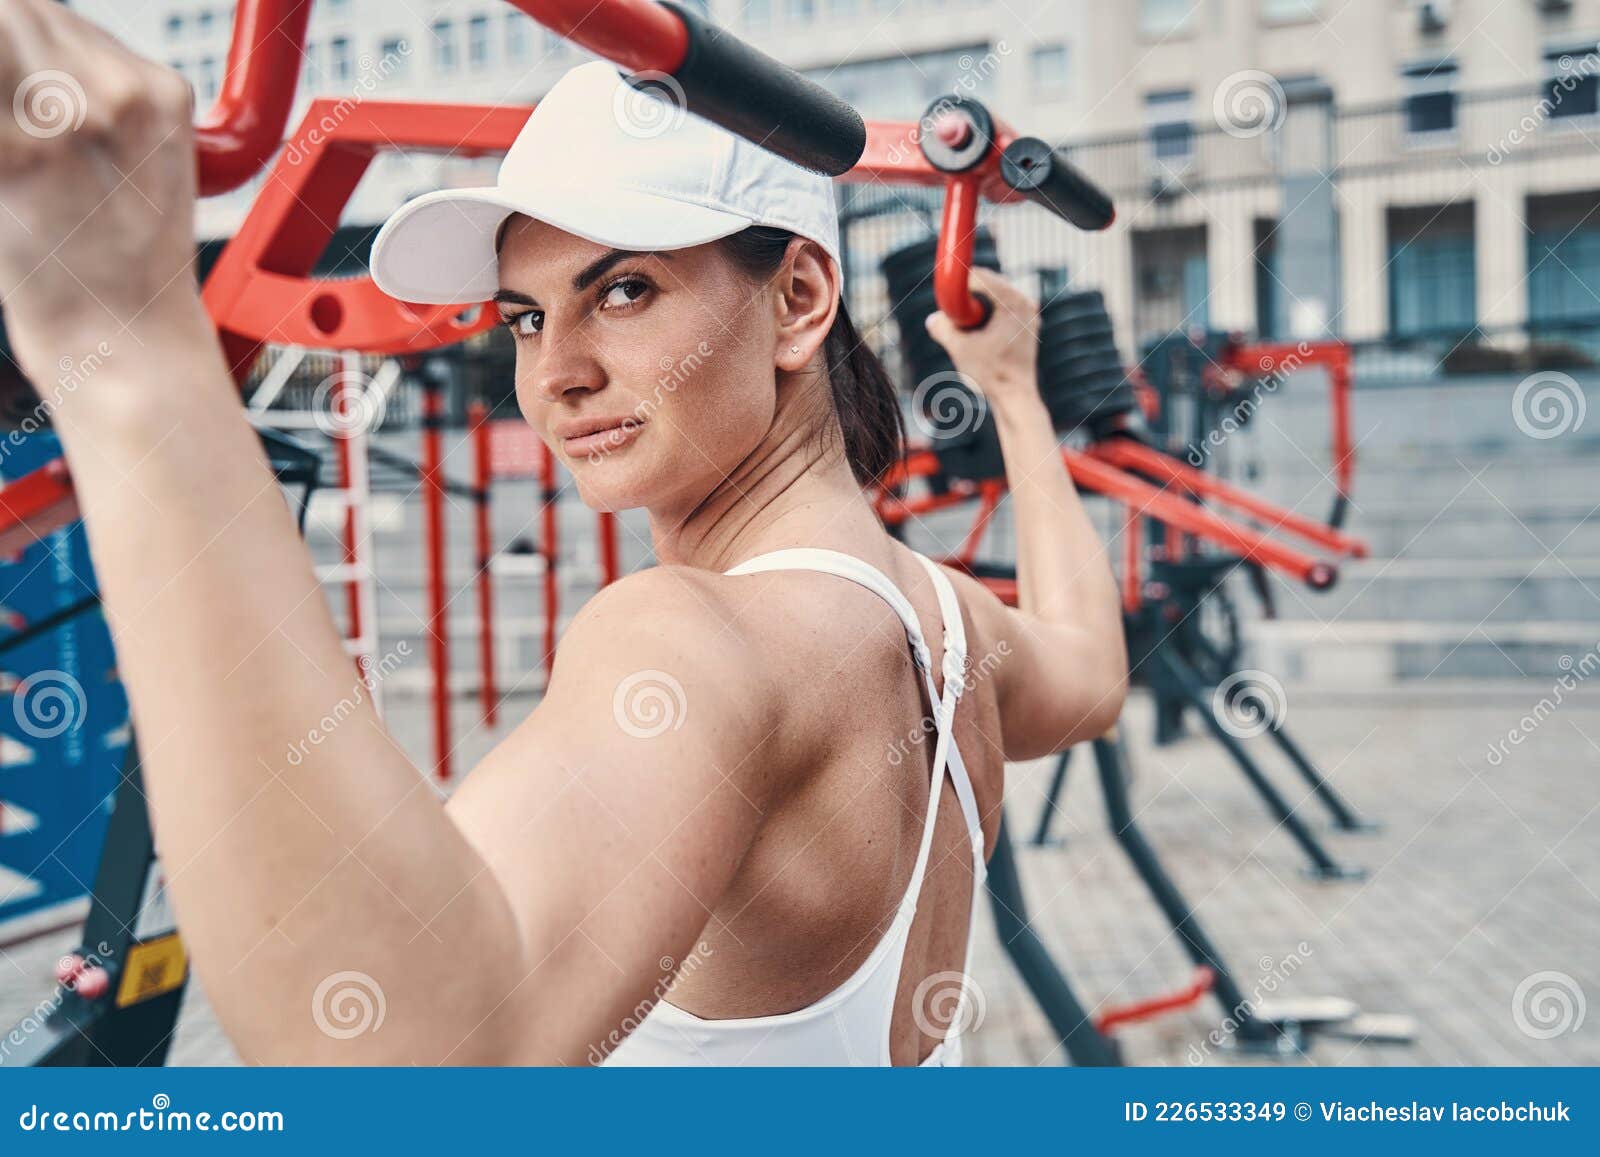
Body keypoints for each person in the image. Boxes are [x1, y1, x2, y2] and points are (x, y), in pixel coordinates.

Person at [0, 3, 1126, 1066]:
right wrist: (1015, 399)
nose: (556, 374)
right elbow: (1090, 666)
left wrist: (130, 345)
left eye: (625, 290)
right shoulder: (943, 618)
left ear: (796, 300)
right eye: (528, 316)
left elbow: (406, 1063)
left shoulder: (695, 641)